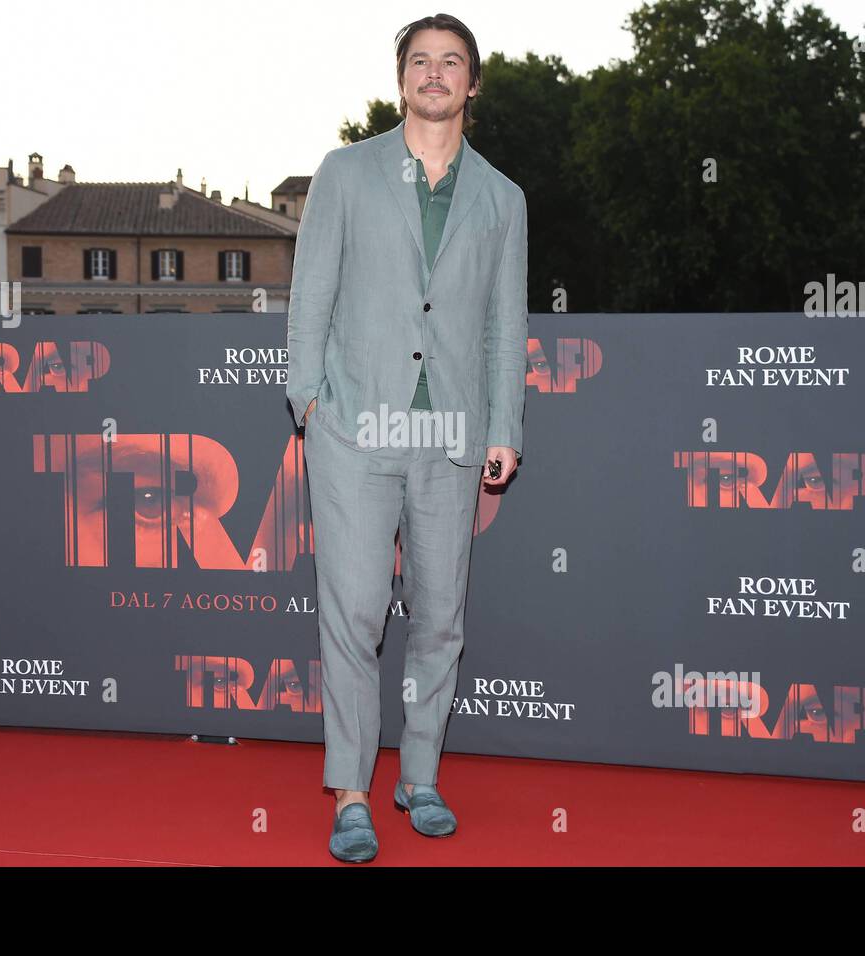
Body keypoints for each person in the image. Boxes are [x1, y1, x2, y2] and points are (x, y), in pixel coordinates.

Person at [286, 12, 529, 862]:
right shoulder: (346, 173)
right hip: (354, 427)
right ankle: (351, 790)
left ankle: (419, 776)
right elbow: (311, 290)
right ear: (401, 81)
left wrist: (506, 424)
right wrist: (305, 397)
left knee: (440, 617)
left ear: (473, 83)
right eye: (420, 61)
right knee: (353, 611)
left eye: (450, 62)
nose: (435, 74)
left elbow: (505, 324)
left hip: (451, 433)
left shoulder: (503, 199)